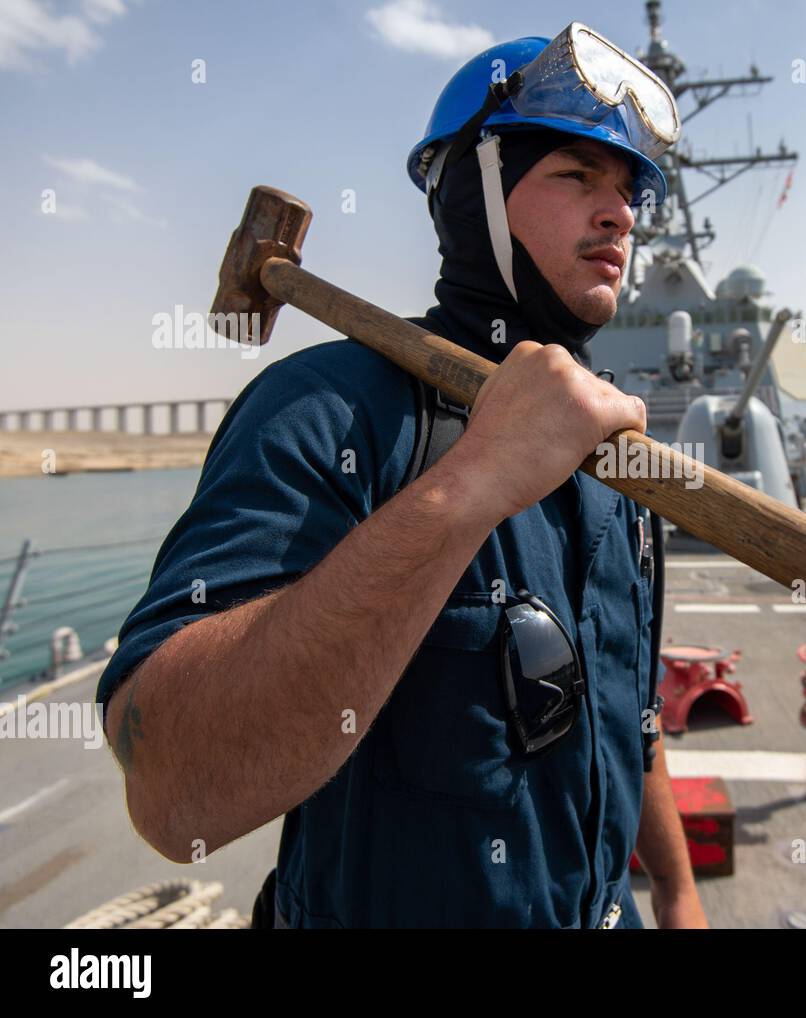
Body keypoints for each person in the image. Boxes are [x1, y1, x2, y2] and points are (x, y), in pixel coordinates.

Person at [95, 27, 707, 930]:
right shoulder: (328, 410)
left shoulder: (615, 456)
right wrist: (472, 487)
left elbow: (627, 714)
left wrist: (681, 897)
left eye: (629, 188)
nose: (619, 212)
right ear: (475, 195)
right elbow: (172, 790)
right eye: (577, 176)